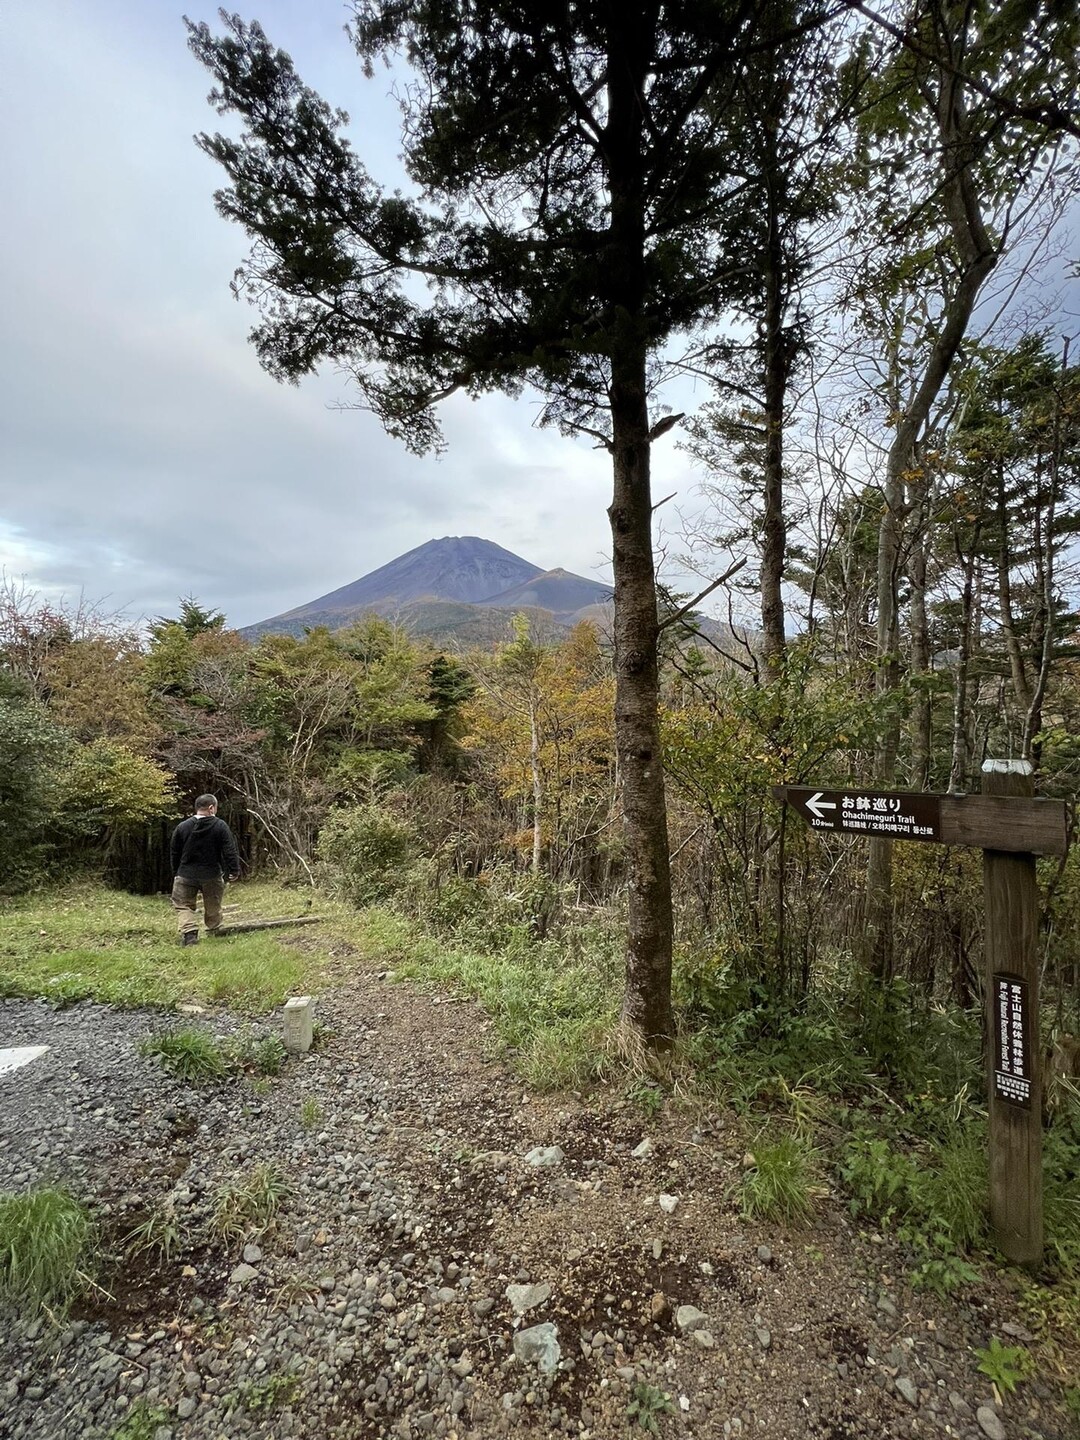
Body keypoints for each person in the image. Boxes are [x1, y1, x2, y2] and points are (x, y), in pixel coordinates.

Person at [170, 794, 241, 945]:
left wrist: (176, 871)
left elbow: (175, 852)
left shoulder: (182, 827)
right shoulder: (220, 826)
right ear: (211, 808)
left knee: (183, 905)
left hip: (186, 873)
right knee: (213, 904)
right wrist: (234, 870)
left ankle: (190, 934)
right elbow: (229, 850)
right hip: (211, 874)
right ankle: (214, 931)